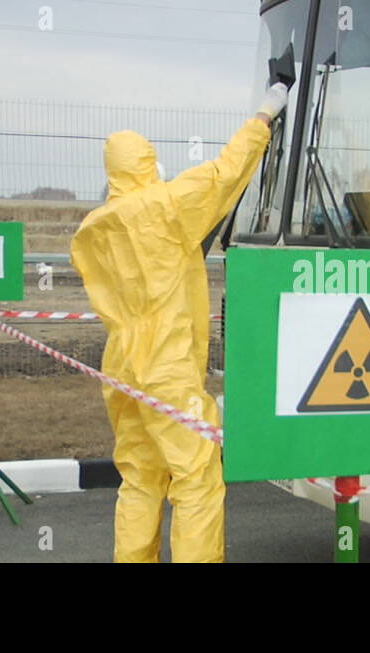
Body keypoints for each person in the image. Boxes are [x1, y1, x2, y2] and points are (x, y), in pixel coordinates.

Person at [70, 83, 289, 563]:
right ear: (148, 162)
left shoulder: (95, 228)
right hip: (167, 366)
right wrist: (266, 112)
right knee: (197, 474)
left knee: (141, 476)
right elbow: (226, 173)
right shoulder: (166, 208)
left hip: (123, 367)